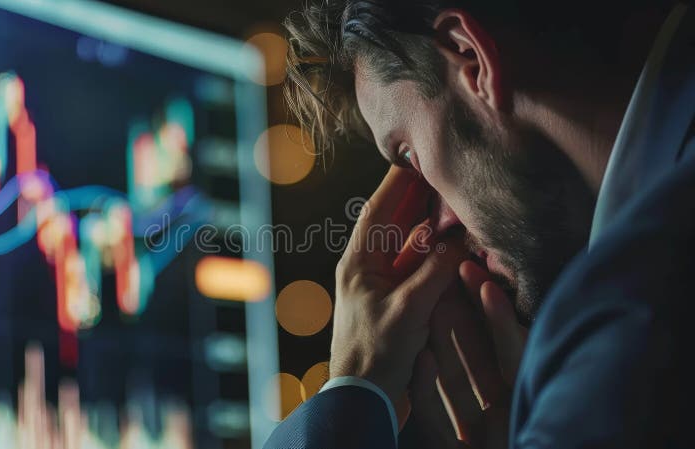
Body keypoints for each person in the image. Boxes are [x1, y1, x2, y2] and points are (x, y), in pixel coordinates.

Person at [264, 0, 694, 448]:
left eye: (407, 154)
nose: (437, 223)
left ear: (469, 56)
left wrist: (355, 388)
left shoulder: (629, 325)